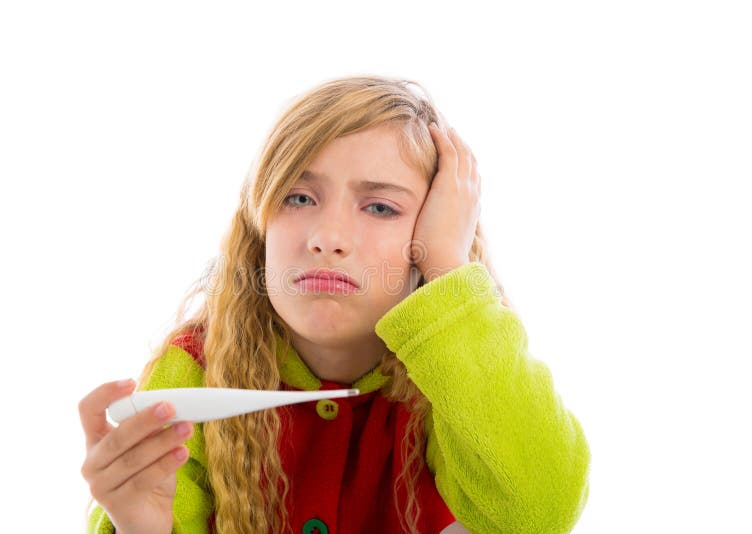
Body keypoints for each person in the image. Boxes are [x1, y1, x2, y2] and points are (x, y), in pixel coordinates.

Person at [79, 75, 591, 534]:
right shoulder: (194, 370)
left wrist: (447, 270)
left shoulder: (463, 377)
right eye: (299, 198)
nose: (328, 237)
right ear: (260, 229)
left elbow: (539, 514)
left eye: (380, 207)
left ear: (435, 233)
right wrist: (140, 529)